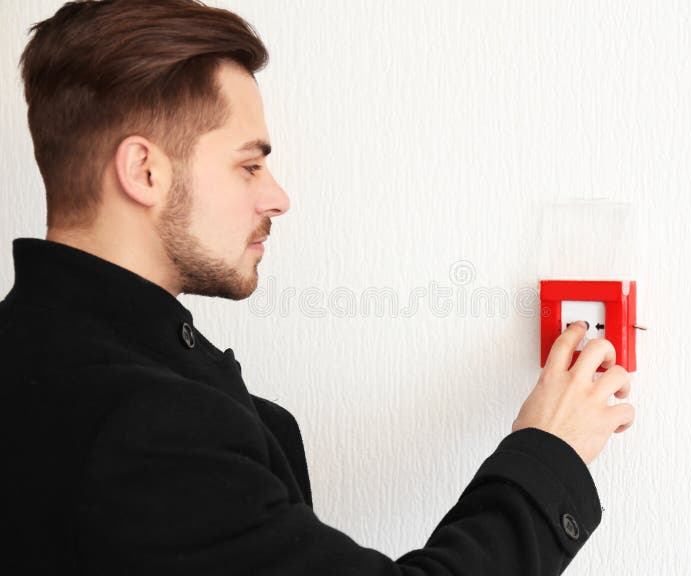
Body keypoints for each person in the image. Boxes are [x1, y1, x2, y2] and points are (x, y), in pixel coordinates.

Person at [0, 0, 635, 574]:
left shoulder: (35, 360)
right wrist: (551, 451)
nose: (277, 197)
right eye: (249, 164)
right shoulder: (148, 425)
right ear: (144, 170)